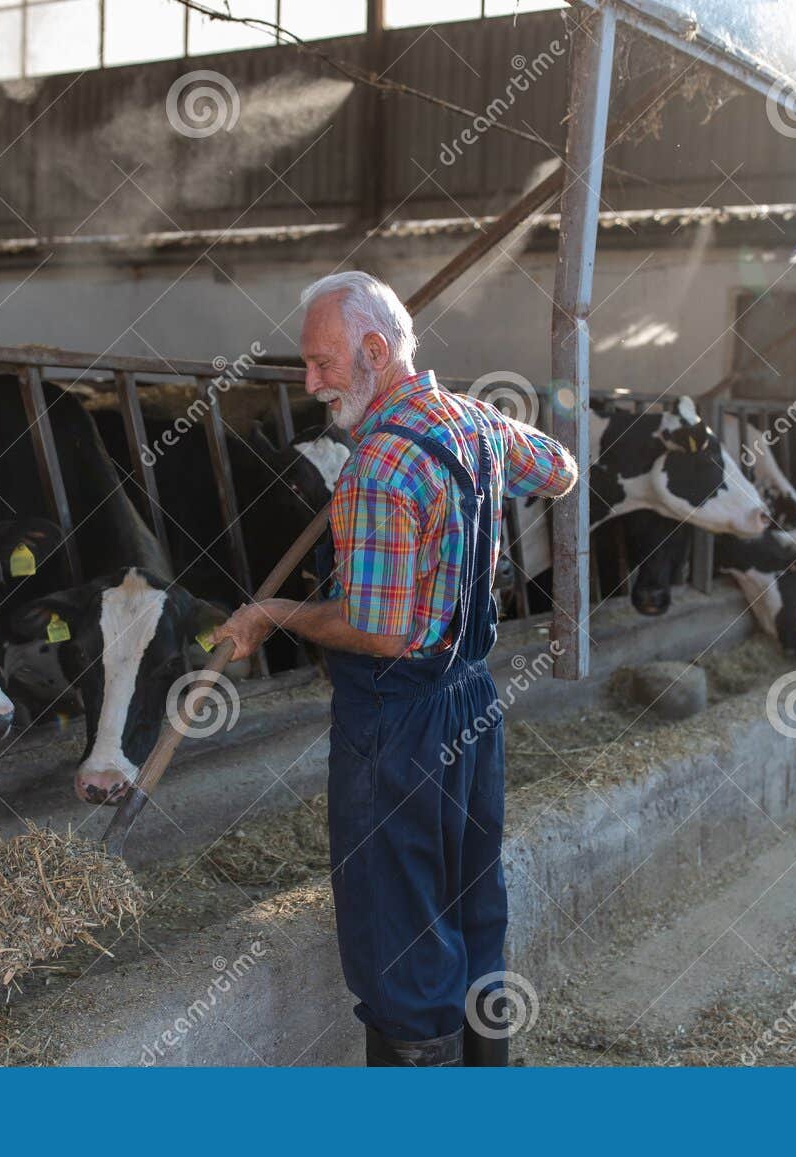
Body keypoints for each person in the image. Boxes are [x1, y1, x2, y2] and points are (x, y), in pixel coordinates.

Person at [213, 272, 577, 1066]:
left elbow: (377, 634)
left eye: (322, 363)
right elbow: (561, 470)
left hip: (398, 724)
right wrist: (477, 424)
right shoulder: (472, 424)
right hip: (471, 703)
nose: (311, 385)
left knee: (398, 940)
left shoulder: (374, 469)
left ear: (376, 351)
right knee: (473, 910)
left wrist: (274, 615)